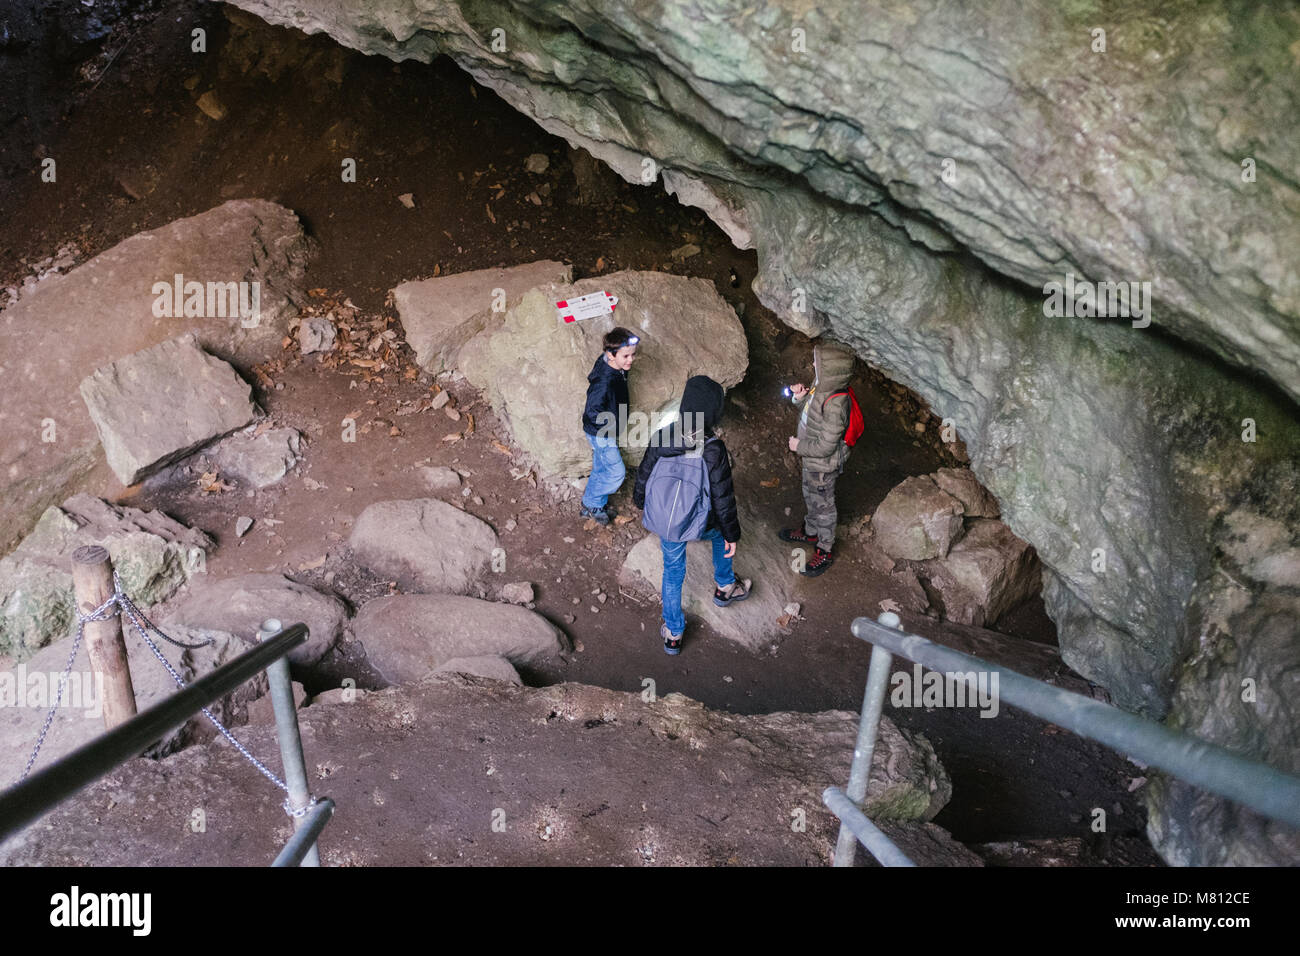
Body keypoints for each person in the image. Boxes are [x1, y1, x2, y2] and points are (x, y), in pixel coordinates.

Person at [633, 375, 749, 655]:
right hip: (699, 521)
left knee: (673, 572)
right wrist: (732, 533)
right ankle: (724, 587)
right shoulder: (713, 449)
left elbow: (644, 475)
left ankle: (673, 633)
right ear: (712, 412)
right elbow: (722, 498)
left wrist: (641, 503)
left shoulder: (663, 434)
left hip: (668, 524)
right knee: (722, 534)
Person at [781, 341, 856, 576]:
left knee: (824, 507)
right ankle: (810, 531)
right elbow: (810, 415)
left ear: (831, 369)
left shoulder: (836, 403)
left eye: (818, 361)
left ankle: (824, 549)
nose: (813, 363)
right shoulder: (820, 385)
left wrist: (799, 446)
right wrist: (800, 398)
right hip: (812, 462)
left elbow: (826, 445)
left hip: (822, 464)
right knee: (810, 496)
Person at [580, 326, 639, 524]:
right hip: (601, 434)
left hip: (606, 431)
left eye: (632, 354)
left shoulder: (615, 367)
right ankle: (593, 503)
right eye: (626, 356)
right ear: (610, 355)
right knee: (616, 473)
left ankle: (593, 503)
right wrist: (610, 426)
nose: (630, 360)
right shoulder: (603, 382)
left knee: (601, 468)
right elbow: (592, 411)